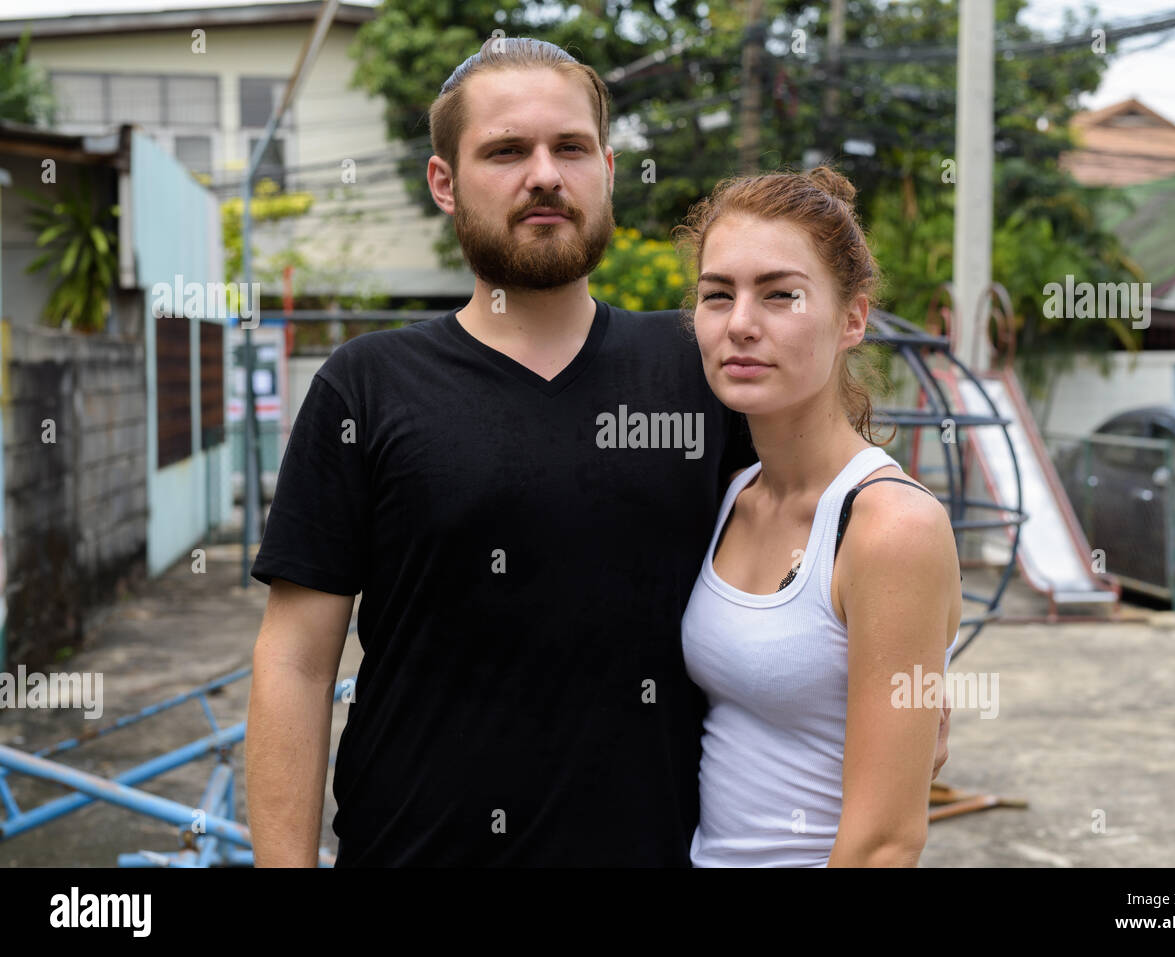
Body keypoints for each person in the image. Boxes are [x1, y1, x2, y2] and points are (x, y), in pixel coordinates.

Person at [245, 37, 948, 868]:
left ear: (608, 170)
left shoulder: (700, 369)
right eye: (506, 150)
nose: (544, 174)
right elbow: (292, 661)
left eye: (570, 148)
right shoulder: (364, 388)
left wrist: (907, 694)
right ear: (445, 182)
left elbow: (832, 521)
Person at [674, 167, 962, 866]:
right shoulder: (735, 493)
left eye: (781, 295)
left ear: (853, 319)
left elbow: (885, 843)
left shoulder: (890, 527)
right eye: (718, 295)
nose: (741, 323)